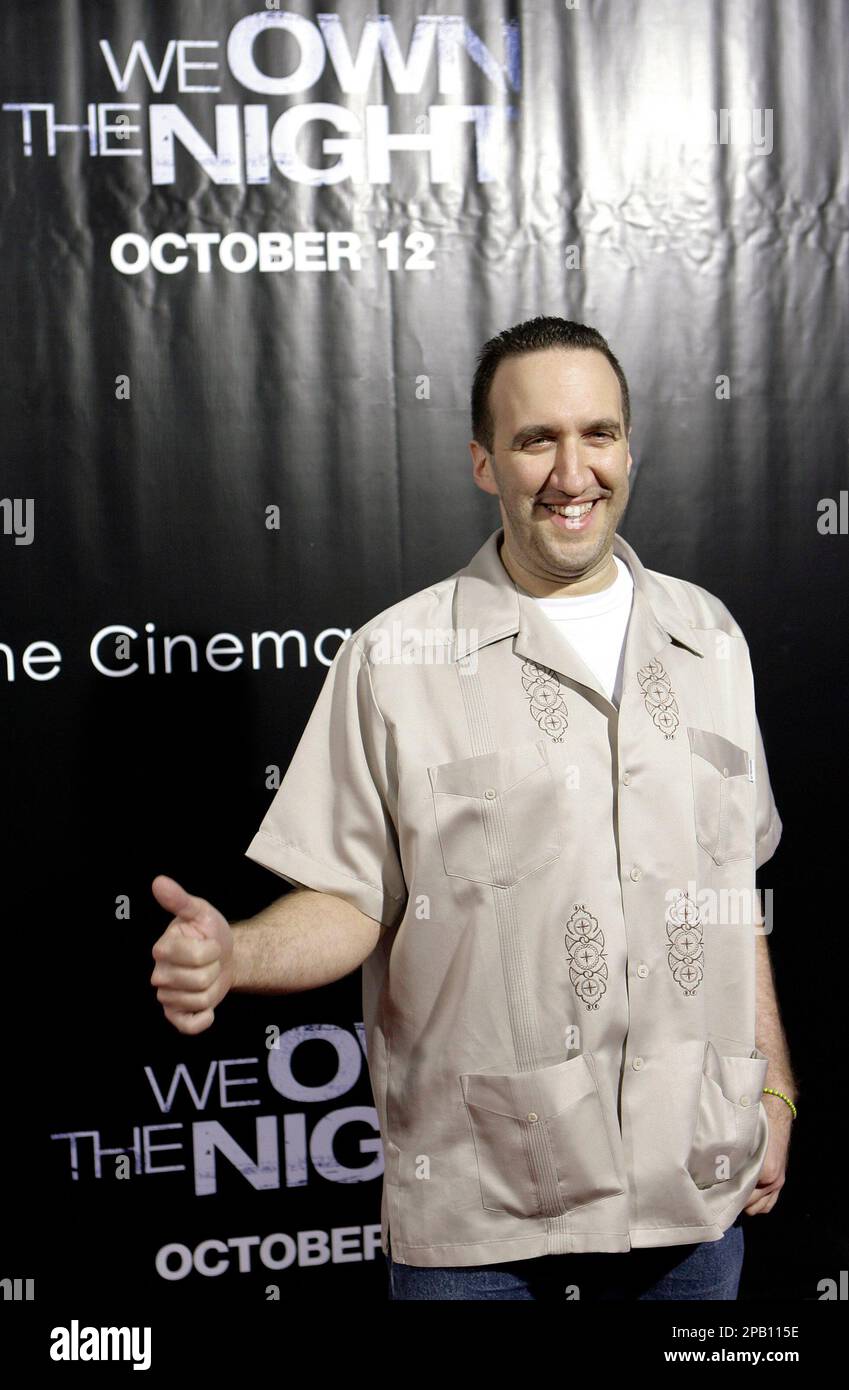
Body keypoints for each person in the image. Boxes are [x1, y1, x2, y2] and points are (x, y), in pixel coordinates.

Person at [150, 316, 797, 1301]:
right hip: (480, 1216)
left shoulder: (708, 634)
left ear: (629, 446)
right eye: (536, 440)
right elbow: (352, 896)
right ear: (484, 462)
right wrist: (235, 955)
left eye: (598, 434)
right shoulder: (393, 658)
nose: (572, 471)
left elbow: (727, 890)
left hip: (693, 1196)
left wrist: (774, 1086)